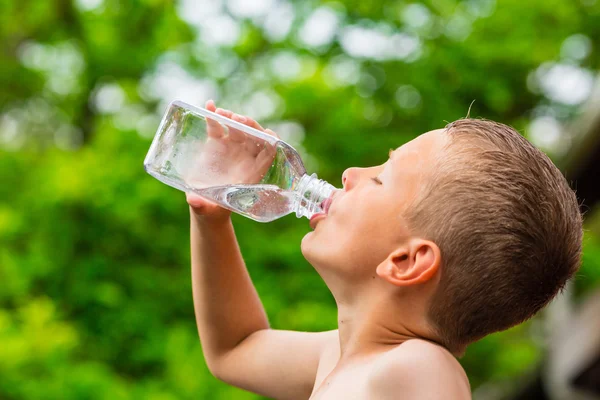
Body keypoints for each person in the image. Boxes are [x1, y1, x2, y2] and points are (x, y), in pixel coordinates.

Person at [186, 100, 583, 399]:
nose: (350, 174)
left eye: (380, 179)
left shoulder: (421, 369)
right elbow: (235, 348)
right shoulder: (337, 358)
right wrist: (211, 218)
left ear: (406, 261)